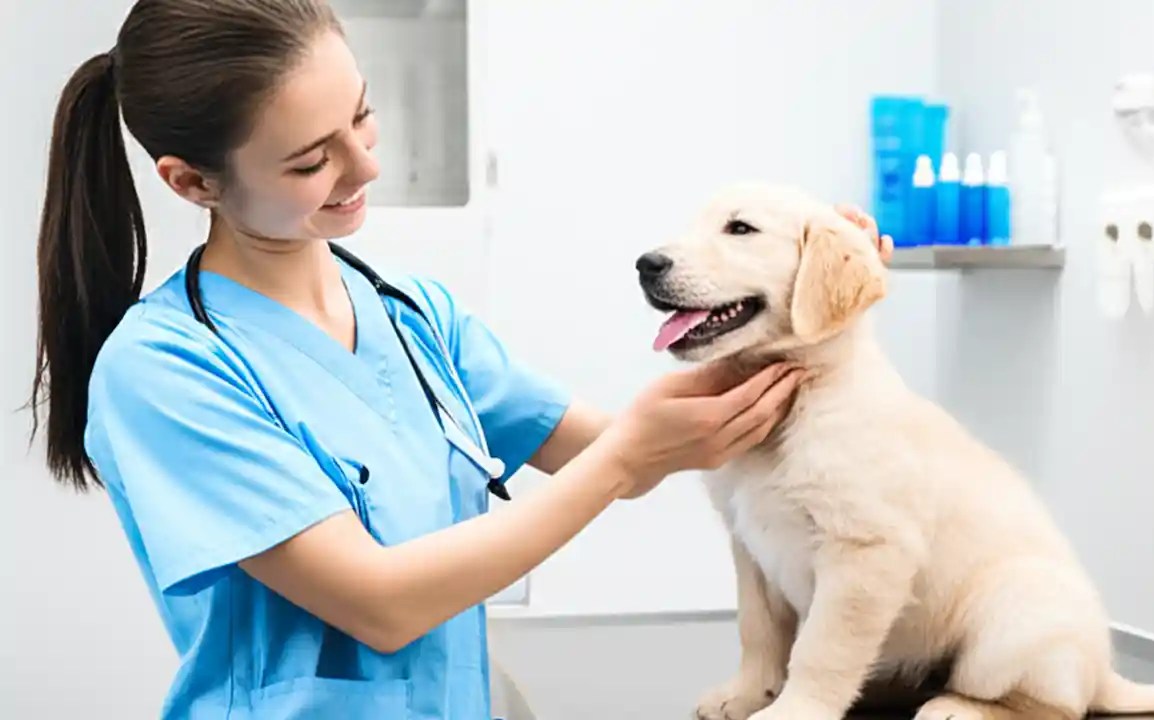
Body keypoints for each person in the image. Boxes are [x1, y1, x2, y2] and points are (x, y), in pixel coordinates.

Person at [28, 1, 880, 717]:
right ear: (192, 183)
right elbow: (383, 603)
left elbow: (632, 449)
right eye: (311, 158)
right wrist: (629, 458)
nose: (365, 165)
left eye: (360, 115)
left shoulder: (414, 315)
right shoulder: (167, 371)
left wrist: (802, 298)